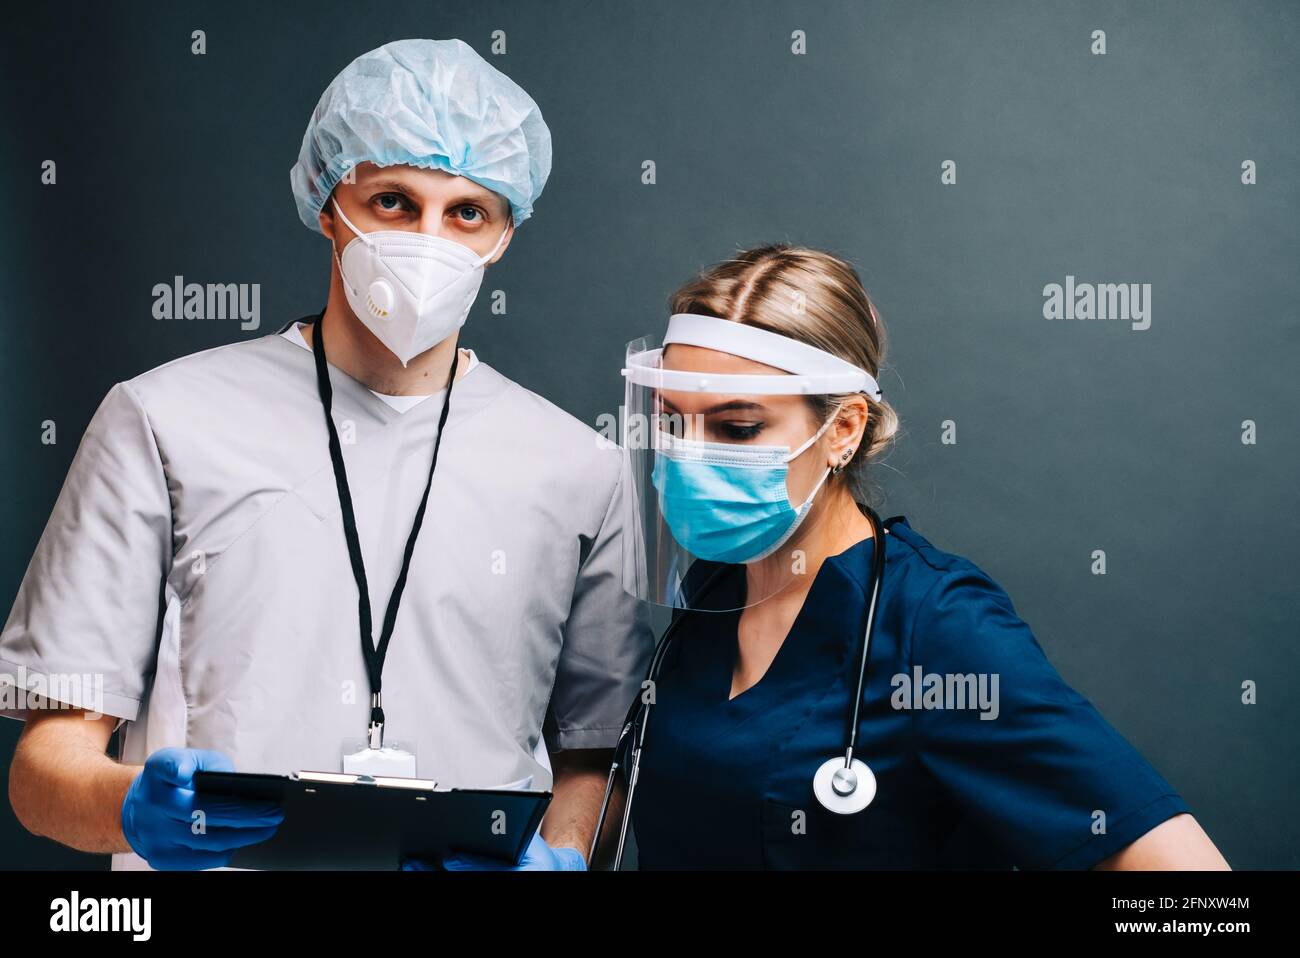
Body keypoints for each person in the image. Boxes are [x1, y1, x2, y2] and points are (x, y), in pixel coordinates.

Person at [1, 38, 651, 872]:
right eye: (391, 200)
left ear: (504, 235)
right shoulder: (162, 420)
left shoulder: (580, 468)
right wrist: (128, 809)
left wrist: (560, 860)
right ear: (327, 200)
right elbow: (43, 769)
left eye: (467, 213)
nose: (428, 238)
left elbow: (595, 759)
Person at [611, 244, 1228, 869]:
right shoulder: (711, 596)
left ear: (844, 430)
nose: (689, 456)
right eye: (671, 422)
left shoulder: (934, 626)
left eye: (737, 428)